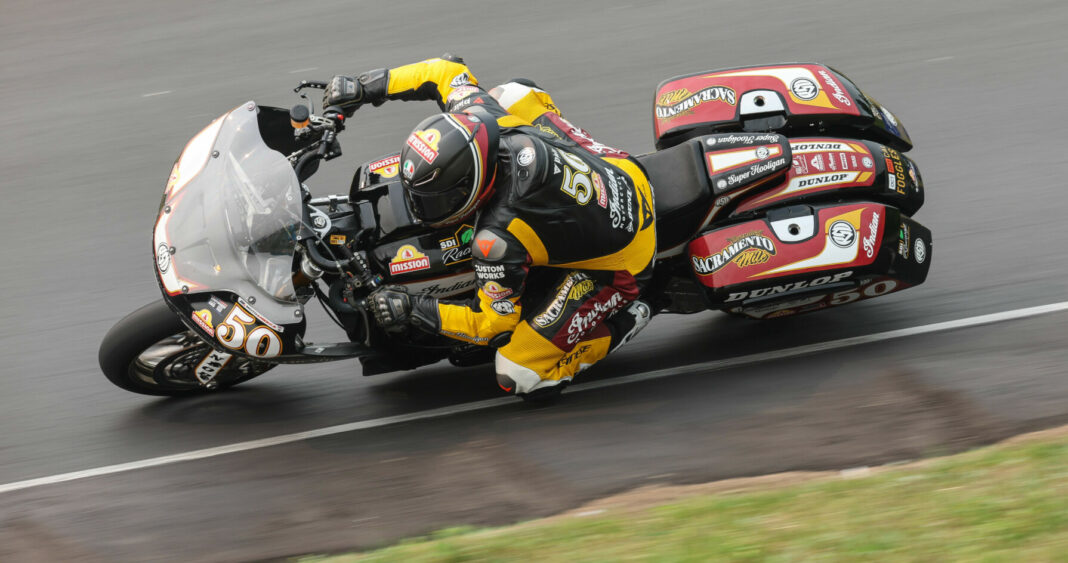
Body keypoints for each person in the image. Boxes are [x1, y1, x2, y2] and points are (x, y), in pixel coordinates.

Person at [325, 54, 655, 400]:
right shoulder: (480, 116)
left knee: (520, 372)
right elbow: (445, 71)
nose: (421, 210)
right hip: (617, 168)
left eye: (436, 201)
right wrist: (365, 86)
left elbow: (492, 325)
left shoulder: (496, 239)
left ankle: (634, 315)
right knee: (511, 93)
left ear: (473, 183)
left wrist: (413, 307)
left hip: (626, 257)